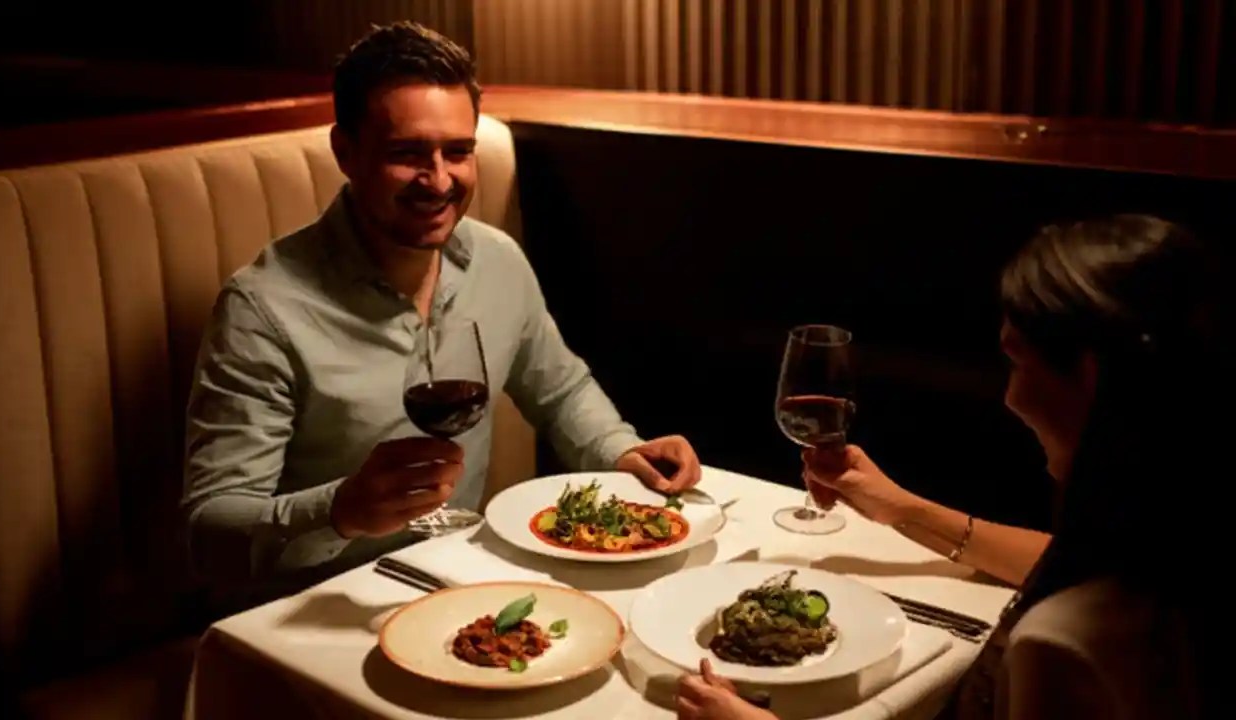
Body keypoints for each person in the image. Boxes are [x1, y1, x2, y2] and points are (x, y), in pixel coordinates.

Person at [181, 21, 701, 602]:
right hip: (311, 609)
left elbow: (560, 391)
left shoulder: (497, 261)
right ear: (345, 152)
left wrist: (621, 451)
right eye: (407, 154)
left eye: (458, 152)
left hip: (457, 584)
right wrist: (342, 510)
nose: (438, 180)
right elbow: (211, 533)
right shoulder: (264, 308)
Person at [678, 215, 1224, 719]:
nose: (1009, 397)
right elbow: (1058, 557)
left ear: (1089, 375)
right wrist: (905, 510)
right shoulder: (1171, 547)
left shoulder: (1067, 644)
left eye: (1016, 362)